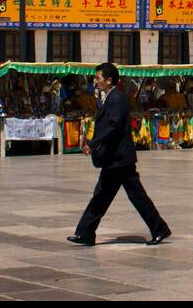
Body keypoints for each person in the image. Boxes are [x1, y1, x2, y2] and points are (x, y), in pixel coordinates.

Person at [70, 63, 171, 247]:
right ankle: (85, 233)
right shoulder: (110, 97)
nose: (96, 81)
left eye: (98, 78)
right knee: (101, 196)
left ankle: (159, 228)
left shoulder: (116, 98)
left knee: (136, 196)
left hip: (120, 159)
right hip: (113, 159)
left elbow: (113, 126)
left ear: (109, 80)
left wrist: (93, 144)